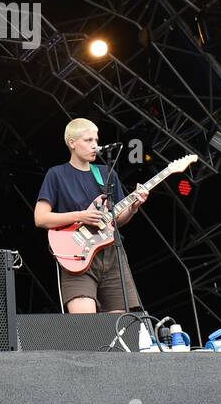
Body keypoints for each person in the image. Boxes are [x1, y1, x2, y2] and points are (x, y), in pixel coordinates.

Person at [34, 118, 148, 313]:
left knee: (120, 330)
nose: (95, 145)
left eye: (96, 140)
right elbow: (41, 218)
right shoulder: (57, 174)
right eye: (88, 140)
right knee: (87, 329)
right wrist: (81, 216)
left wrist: (133, 208)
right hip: (76, 256)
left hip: (111, 254)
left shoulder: (106, 173)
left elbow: (116, 219)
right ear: (72, 143)